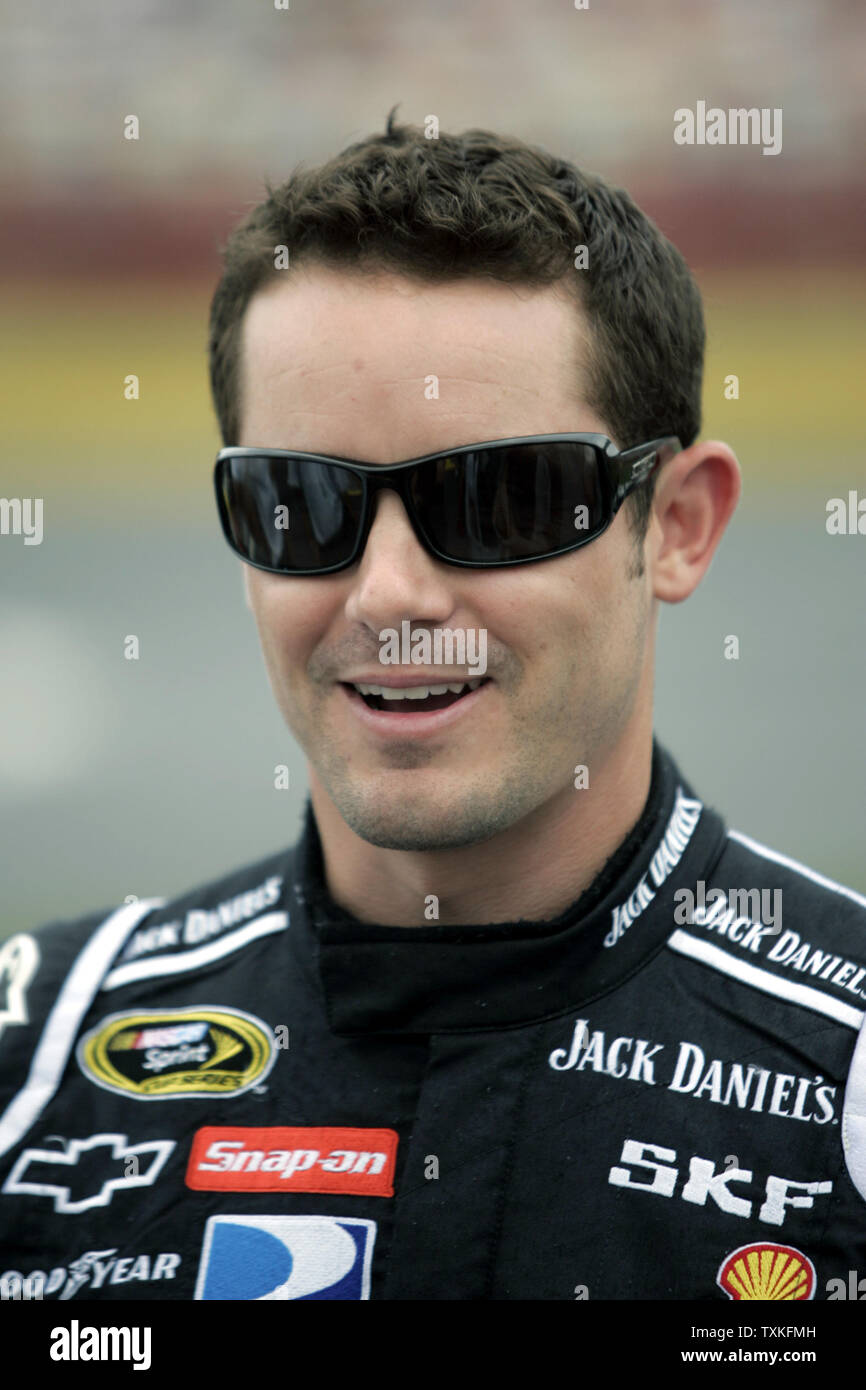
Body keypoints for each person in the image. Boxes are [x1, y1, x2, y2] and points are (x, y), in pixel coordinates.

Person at [1, 111, 864, 1303]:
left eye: (500, 498)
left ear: (673, 524)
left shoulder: (846, 1074)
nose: (388, 593)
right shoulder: (33, 1063)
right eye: (300, 503)